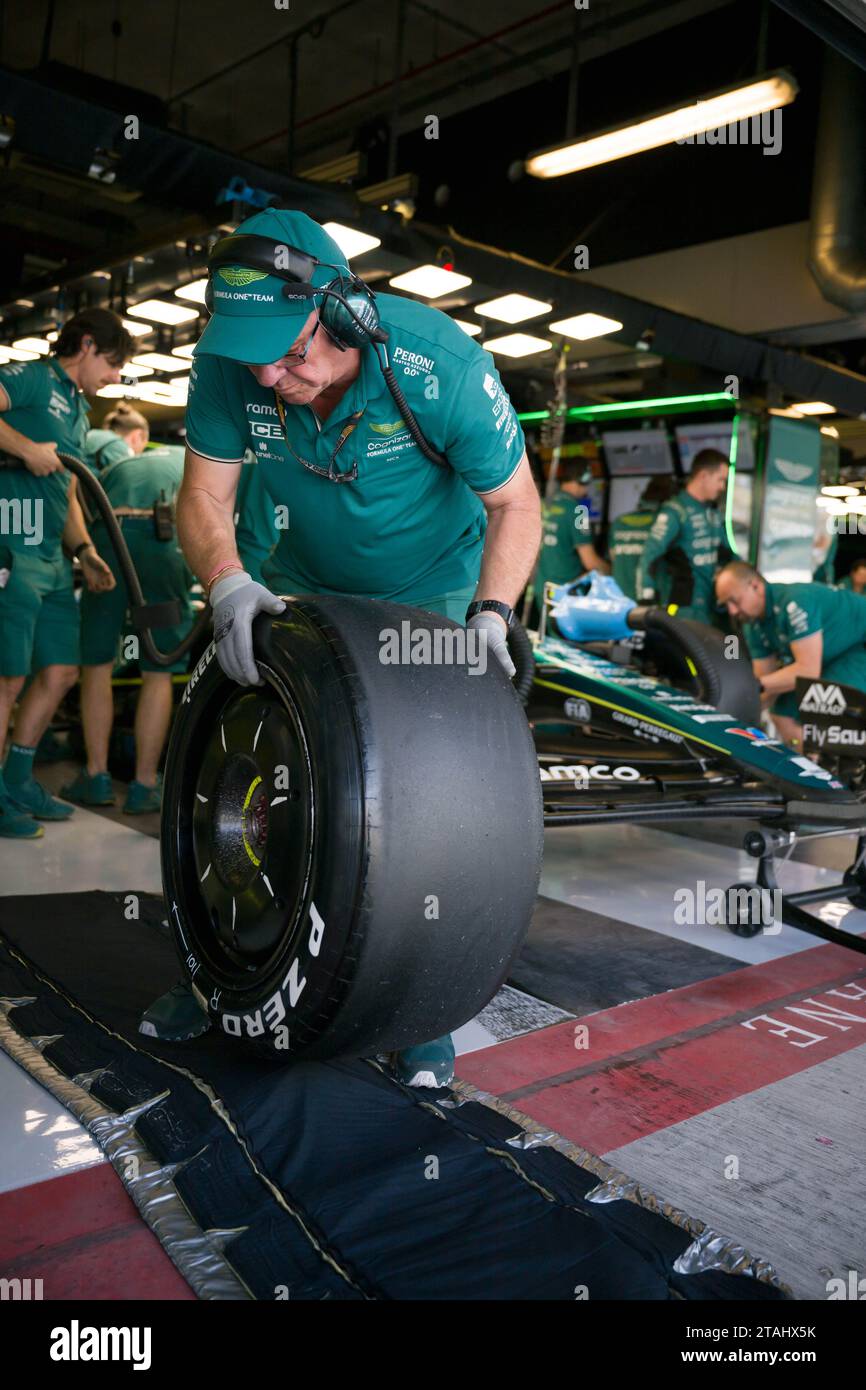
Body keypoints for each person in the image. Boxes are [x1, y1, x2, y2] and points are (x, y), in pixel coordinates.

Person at [140, 208, 541, 1090]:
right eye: (252, 356)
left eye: (288, 353)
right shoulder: (230, 367)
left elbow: (517, 504)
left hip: (427, 592)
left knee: (426, 803)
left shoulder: (439, 366)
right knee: (252, 780)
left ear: (346, 310)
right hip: (290, 579)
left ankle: (420, 1007)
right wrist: (227, 581)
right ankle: (215, 975)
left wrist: (490, 615)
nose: (269, 375)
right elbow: (202, 497)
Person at [0, 309, 127, 838]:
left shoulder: (78, 409)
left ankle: (18, 779)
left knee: (60, 672)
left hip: (52, 557)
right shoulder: (33, 376)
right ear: (88, 344)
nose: (117, 376)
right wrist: (25, 448)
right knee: (7, 678)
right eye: (115, 362)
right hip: (10, 544)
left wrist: (85, 550)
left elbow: (68, 487)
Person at [62, 405, 195, 813]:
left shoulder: (117, 465)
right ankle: (143, 785)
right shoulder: (190, 458)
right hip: (162, 545)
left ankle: (97, 776)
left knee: (98, 664)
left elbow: (79, 498)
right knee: (158, 668)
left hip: (108, 544)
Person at [715, 559, 866, 747]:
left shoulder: (794, 602)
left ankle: (831, 769)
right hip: (829, 655)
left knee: (823, 706)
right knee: (781, 714)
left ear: (755, 586)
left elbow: (807, 671)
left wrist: (753, 686)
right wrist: (730, 718)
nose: (732, 611)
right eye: (725, 605)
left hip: (858, 647)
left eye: (734, 601)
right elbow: (765, 685)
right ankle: (807, 765)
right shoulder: (752, 624)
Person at [636, 448, 732, 623]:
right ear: (703, 476)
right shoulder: (675, 511)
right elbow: (650, 555)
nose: (722, 487)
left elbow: (727, 553)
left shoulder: (713, 512)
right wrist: (645, 598)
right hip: (682, 608)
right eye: (720, 480)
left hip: (710, 607)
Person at [535, 460, 607, 602]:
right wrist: (613, 571)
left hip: (541, 589)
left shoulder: (543, 504)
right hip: (566, 592)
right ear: (584, 479)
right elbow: (590, 562)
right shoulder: (579, 511)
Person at [607, 474, 676, 600]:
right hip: (650, 603)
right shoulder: (665, 523)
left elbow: (613, 558)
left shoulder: (619, 522)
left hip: (619, 602)